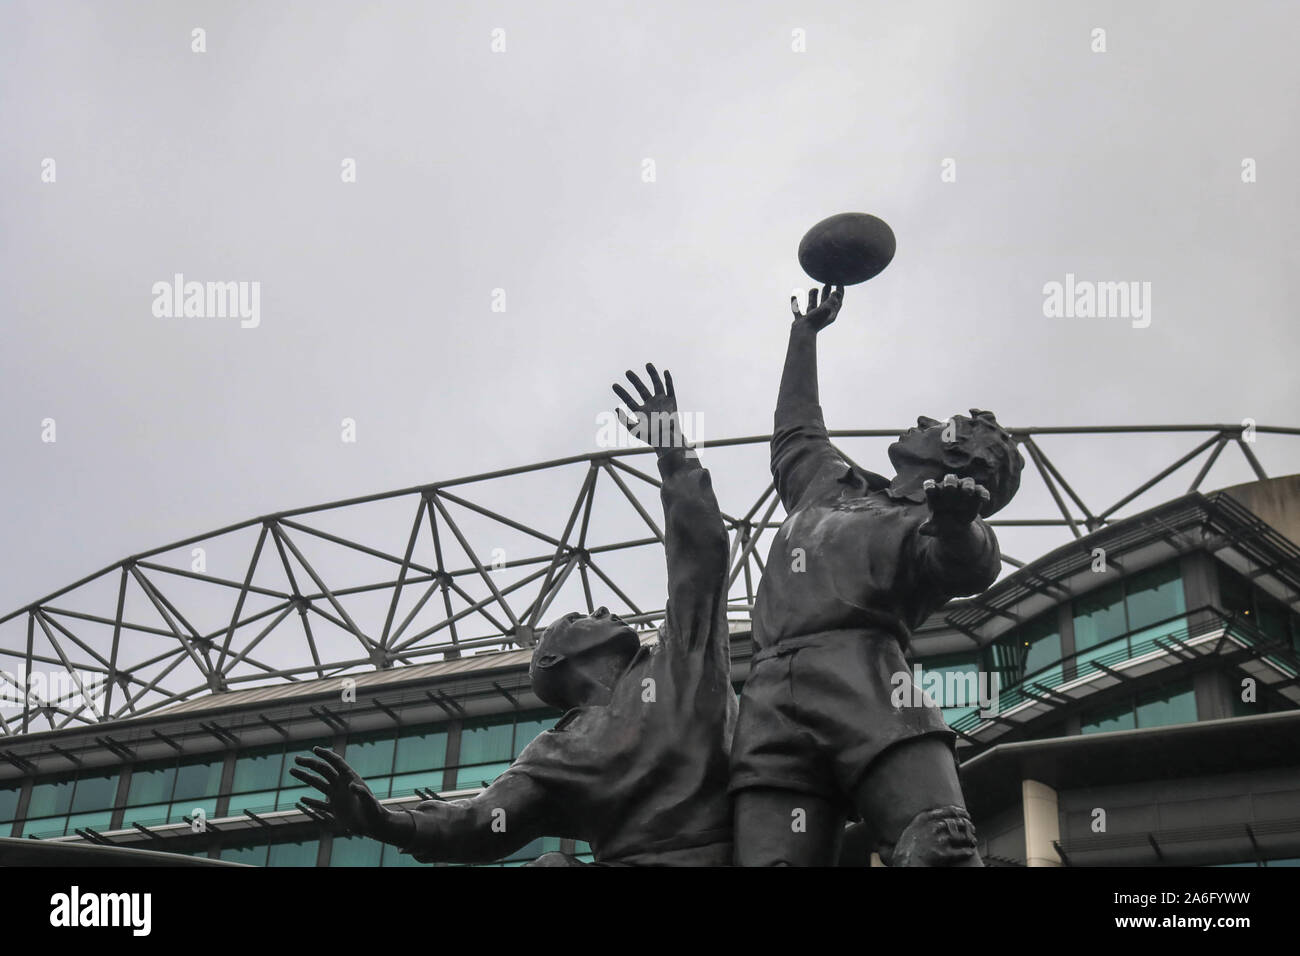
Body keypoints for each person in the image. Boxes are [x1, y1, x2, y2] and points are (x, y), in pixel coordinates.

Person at [292, 364, 738, 865]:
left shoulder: (679, 658)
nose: (604, 607)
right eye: (578, 617)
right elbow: (478, 823)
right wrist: (381, 821)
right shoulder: (554, 753)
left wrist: (671, 448)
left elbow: (699, 552)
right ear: (552, 661)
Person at [729, 285, 1024, 866]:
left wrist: (959, 521)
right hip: (769, 698)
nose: (922, 420)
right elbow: (797, 432)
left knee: (941, 847)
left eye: (944, 427)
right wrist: (803, 337)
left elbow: (967, 565)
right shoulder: (830, 484)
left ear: (963, 462)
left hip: (866, 686)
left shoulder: (928, 523)